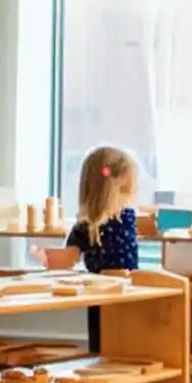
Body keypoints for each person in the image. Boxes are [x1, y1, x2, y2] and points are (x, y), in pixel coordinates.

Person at [34, 147, 141, 353]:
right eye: (126, 190)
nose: (130, 195)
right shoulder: (86, 227)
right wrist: (42, 255)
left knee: (129, 345)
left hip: (129, 291)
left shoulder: (127, 216)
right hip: (101, 294)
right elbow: (67, 260)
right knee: (103, 346)